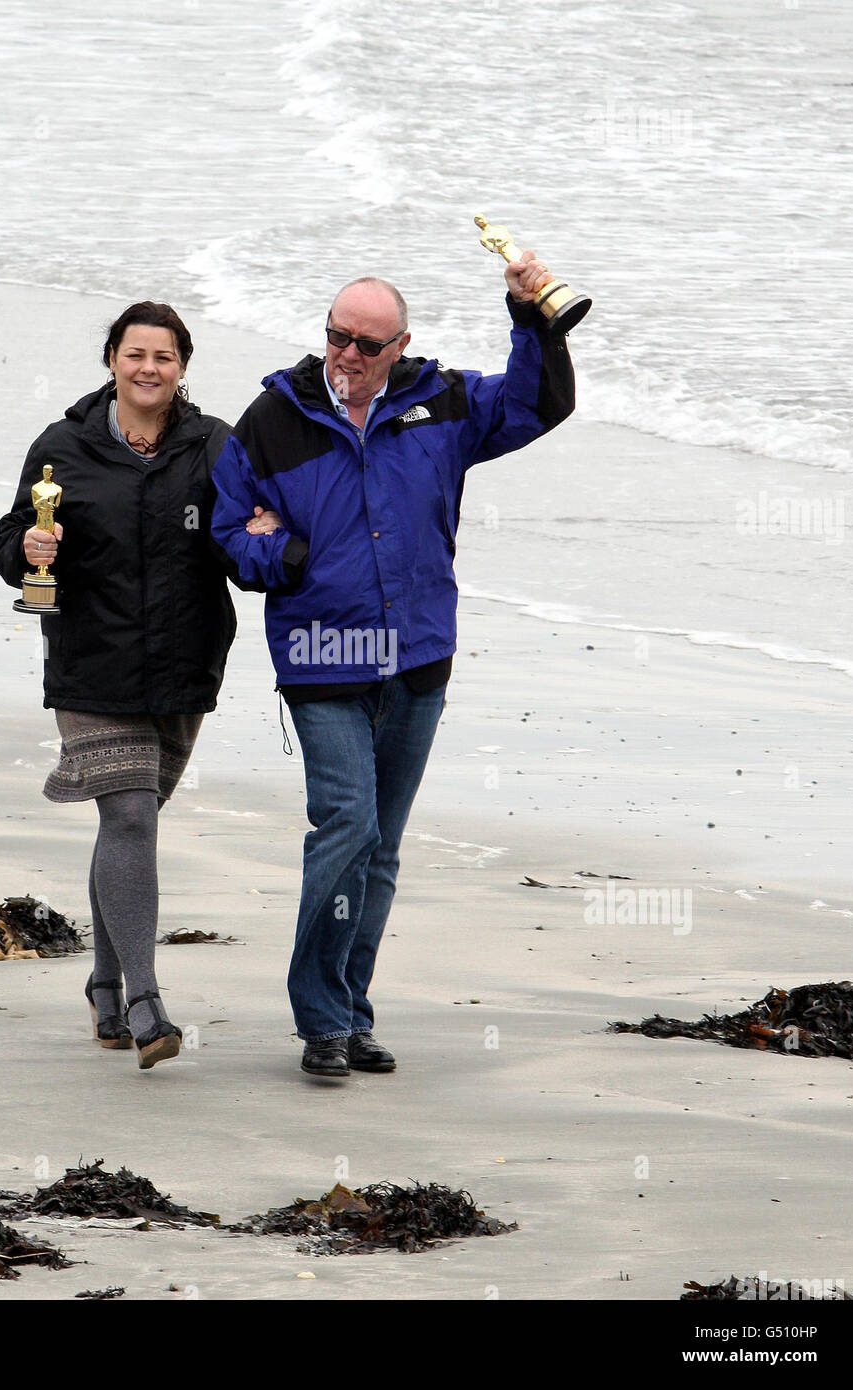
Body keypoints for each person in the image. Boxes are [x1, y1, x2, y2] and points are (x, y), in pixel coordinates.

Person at [211, 252, 577, 1078]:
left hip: (417, 658)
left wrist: (532, 320)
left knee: (382, 848)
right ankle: (319, 1020)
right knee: (348, 826)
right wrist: (291, 556)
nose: (347, 353)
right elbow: (231, 538)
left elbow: (540, 402)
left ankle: (352, 1010)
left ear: (399, 345)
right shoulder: (273, 419)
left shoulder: (440, 403)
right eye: (337, 335)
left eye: (367, 344)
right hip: (324, 659)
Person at [0, 301, 257, 1070]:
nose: (149, 369)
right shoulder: (63, 446)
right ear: (112, 359)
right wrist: (30, 545)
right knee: (133, 816)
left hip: (183, 667)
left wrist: (274, 541)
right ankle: (146, 1003)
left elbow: (241, 545)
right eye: (135, 354)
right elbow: (10, 543)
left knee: (126, 826)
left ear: (182, 368)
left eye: (164, 358)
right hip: (91, 662)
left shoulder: (216, 445)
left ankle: (104, 986)